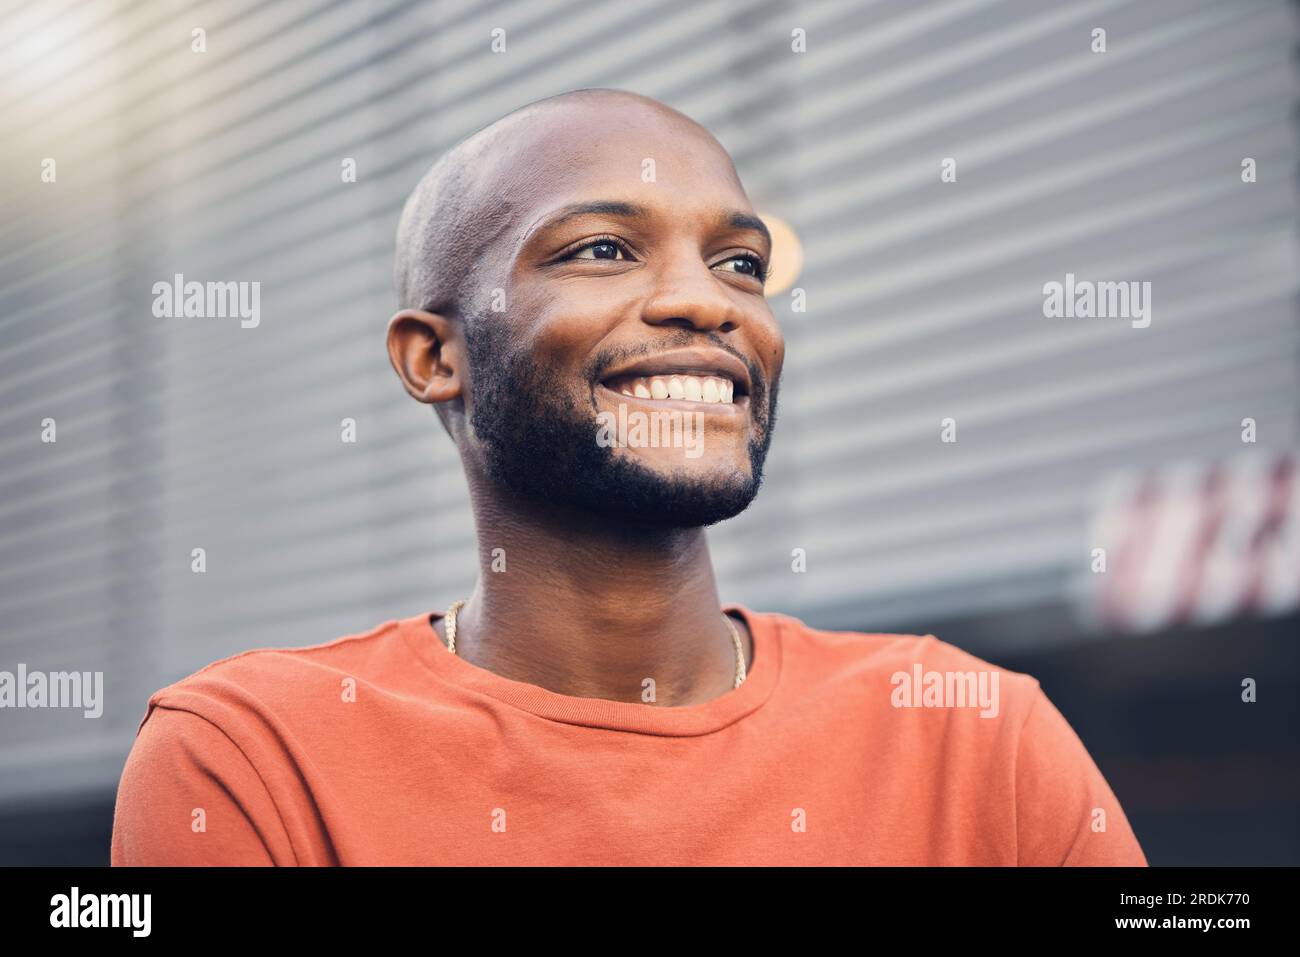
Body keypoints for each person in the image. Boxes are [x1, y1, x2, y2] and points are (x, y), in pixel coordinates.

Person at [110, 89, 1147, 866]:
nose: (710, 304)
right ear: (435, 358)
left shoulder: (971, 733)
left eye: (741, 264)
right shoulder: (252, 756)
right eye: (603, 249)